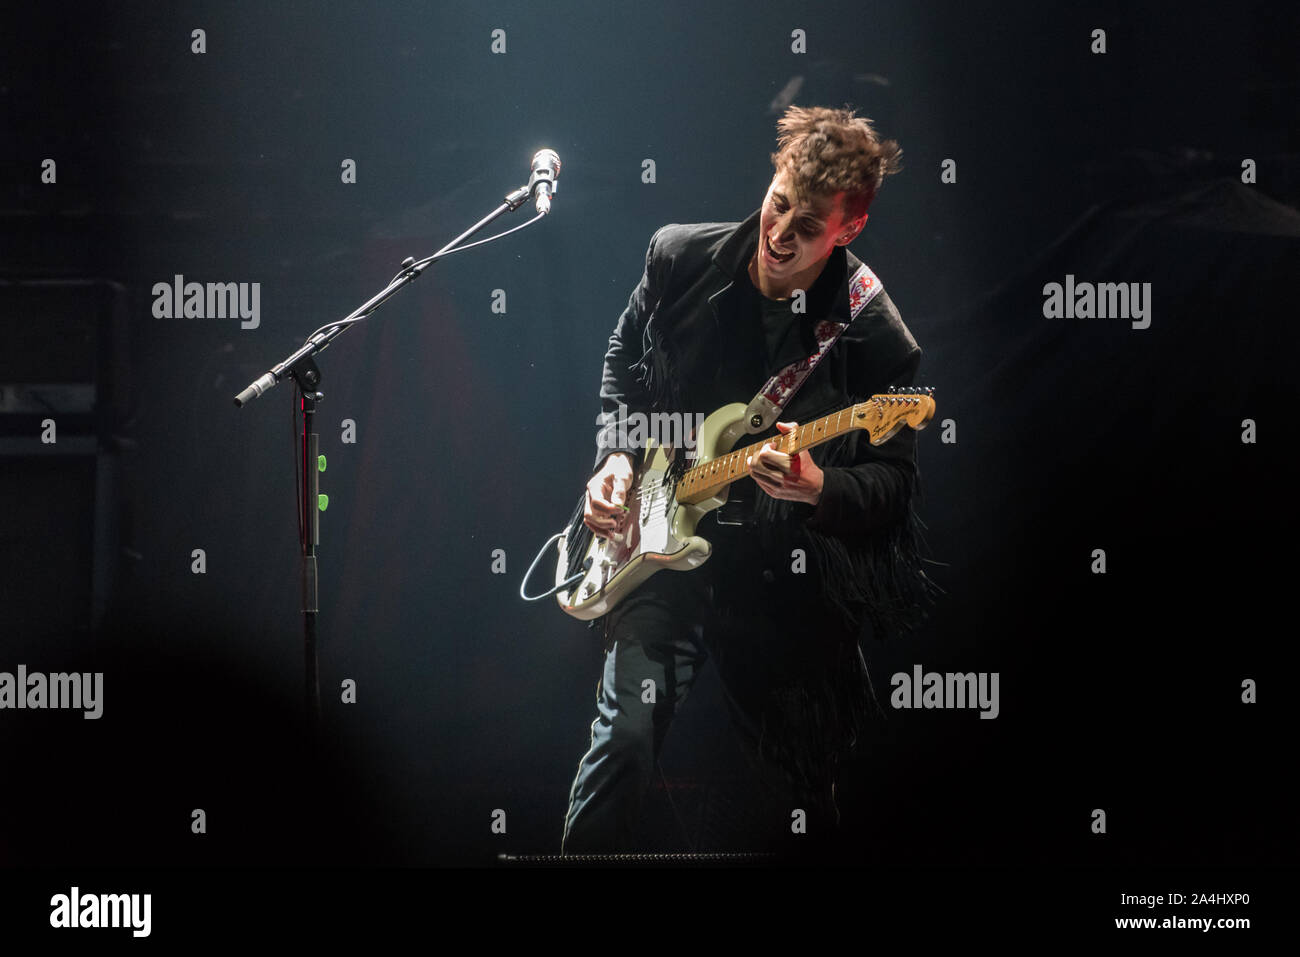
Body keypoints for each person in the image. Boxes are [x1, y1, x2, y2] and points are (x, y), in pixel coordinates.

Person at [560, 105, 936, 856]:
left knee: (805, 789)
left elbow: (892, 486)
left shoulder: (875, 334)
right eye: (778, 202)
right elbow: (622, 357)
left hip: (778, 574)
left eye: (808, 224)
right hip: (658, 544)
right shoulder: (679, 257)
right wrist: (617, 457)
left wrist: (819, 489)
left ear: (849, 228)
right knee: (625, 740)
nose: (781, 233)